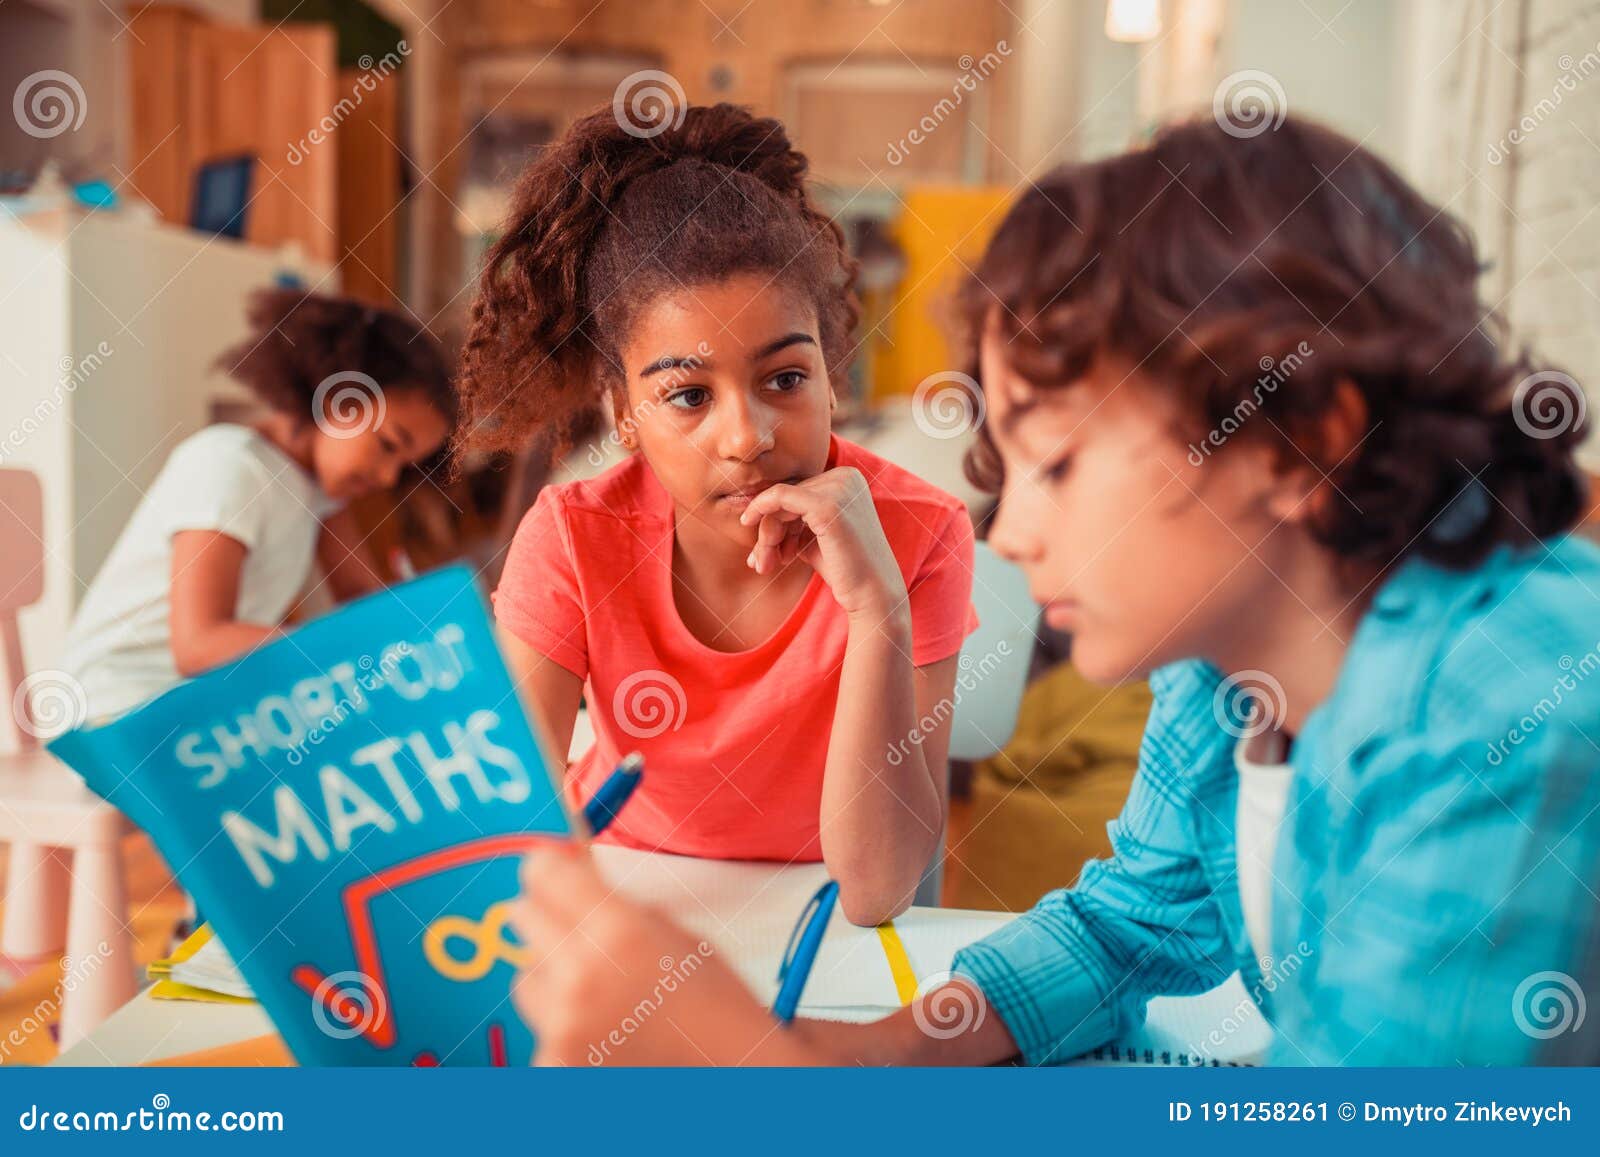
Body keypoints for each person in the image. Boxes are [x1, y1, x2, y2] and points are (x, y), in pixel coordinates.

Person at [508, 115, 1600, 1066]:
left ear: (1295, 438)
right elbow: (1125, 925)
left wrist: (755, 1079)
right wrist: (844, 1056)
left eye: (1059, 464)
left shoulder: (1511, 706)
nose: (1012, 531)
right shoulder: (1225, 669)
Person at [455, 104, 978, 926]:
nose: (748, 436)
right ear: (623, 414)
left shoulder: (920, 531)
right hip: (631, 892)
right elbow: (497, 833)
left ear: (832, 375)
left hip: (823, 910)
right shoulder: (571, 537)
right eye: (688, 396)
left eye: (786, 379)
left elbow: (877, 888)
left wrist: (878, 610)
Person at [62, 290, 455, 721]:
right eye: (387, 446)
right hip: (113, 711)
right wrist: (341, 651)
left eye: (404, 466)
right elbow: (199, 645)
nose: (386, 478)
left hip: (189, 705)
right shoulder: (230, 466)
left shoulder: (319, 490)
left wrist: (421, 627)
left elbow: (360, 596)